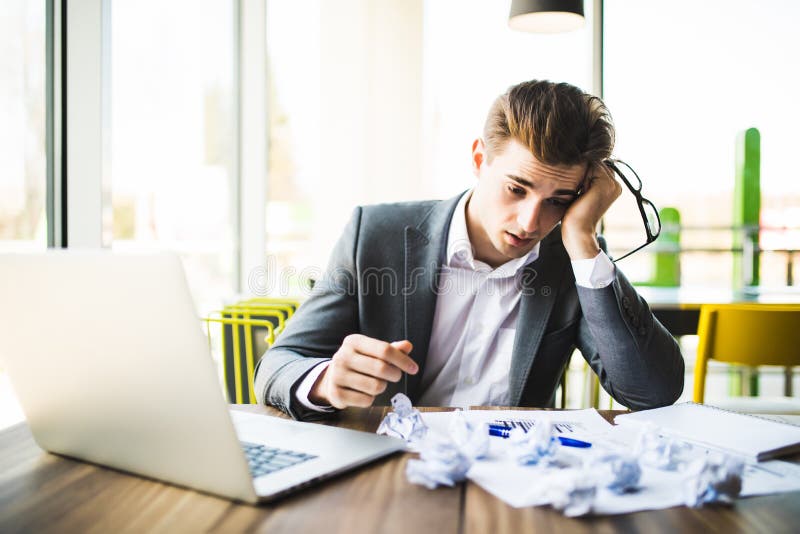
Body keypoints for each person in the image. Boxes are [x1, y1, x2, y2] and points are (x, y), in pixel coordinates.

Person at [254, 79, 684, 420]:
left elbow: (653, 391)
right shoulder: (376, 233)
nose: (531, 222)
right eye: (517, 188)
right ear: (480, 160)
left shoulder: (573, 260)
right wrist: (325, 380)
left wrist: (583, 242)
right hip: (385, 463)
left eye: (559, 200)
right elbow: (279, 364)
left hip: (514, 479)